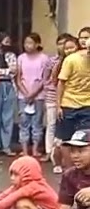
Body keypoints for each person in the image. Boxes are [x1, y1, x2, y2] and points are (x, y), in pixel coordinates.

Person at [55, 31, 90, 171]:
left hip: (87, 106)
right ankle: (70, 171)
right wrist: (58, 106)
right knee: (66, 140)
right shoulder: (71, 60)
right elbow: (61, 83)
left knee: (85, 139)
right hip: (68, 105)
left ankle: (83, 170)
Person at [15, 32, 52, 159]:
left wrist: (33, 94)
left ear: (37, 44)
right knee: (23, 122)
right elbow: (18, 78)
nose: (27, 45)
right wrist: (26, 93)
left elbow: (44, 79)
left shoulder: (44, 58)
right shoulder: (21, 58)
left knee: (37, 123)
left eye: (30, 43)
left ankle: (35, 149)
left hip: (39, 96)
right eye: (25, 43)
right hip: (23, 95)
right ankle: (24, 150)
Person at [46, 34, 75, 172]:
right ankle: (57, 161)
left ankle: (71, 165)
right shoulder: (59, 63)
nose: (68, 50)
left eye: (71, 47)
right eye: (66, 47)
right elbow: (54, 81)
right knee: (60, 138)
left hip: (77, 103)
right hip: (63, 102)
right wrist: (58, 104)